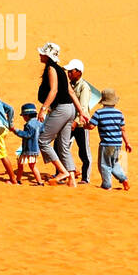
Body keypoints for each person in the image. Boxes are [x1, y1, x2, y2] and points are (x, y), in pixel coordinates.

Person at [36, 42, 82, 186]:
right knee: (63, 145)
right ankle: (72, 180)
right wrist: (80, 112)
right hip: (70, 109)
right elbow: (71, 91)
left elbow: (54, 90)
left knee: (42, 140)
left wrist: (43, 109)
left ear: (47, 55)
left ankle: (63, 171)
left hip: (61, 109)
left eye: (42, 53)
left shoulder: (51, 68)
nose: (39, 55)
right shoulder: (61, 70)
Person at [90, 88, 132, 191]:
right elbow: (123, 130)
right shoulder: (119, 113)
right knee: (114, 163)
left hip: (106, 144)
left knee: (104, 165)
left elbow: (91, 126)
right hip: (118, 143)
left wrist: (85, 123)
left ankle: (107, 185)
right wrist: (127, 143)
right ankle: (124, 179)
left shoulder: (99, 113)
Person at [65, 58, 96, 185]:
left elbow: (83, 108)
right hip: (69, 122)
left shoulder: (84, 87)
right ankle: (66, 171)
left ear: (79, 72)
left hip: (81, 124)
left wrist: (76, 122)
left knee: (84, 151)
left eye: (71, 71)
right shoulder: (70, 85)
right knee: (62, 147)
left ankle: (85, 178)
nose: (69, 73)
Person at [11, 103, 44, 185]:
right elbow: (42, 131)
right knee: (33, 166)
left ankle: (18, 180)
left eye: (23, 116)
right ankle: (39, 182)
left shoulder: (28, 125)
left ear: (27, 115)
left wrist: (15, 131)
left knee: (20, 164)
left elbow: (27, 135)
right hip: (35, 148)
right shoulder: (39, 123)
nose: (23, 118)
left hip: (27, 149)